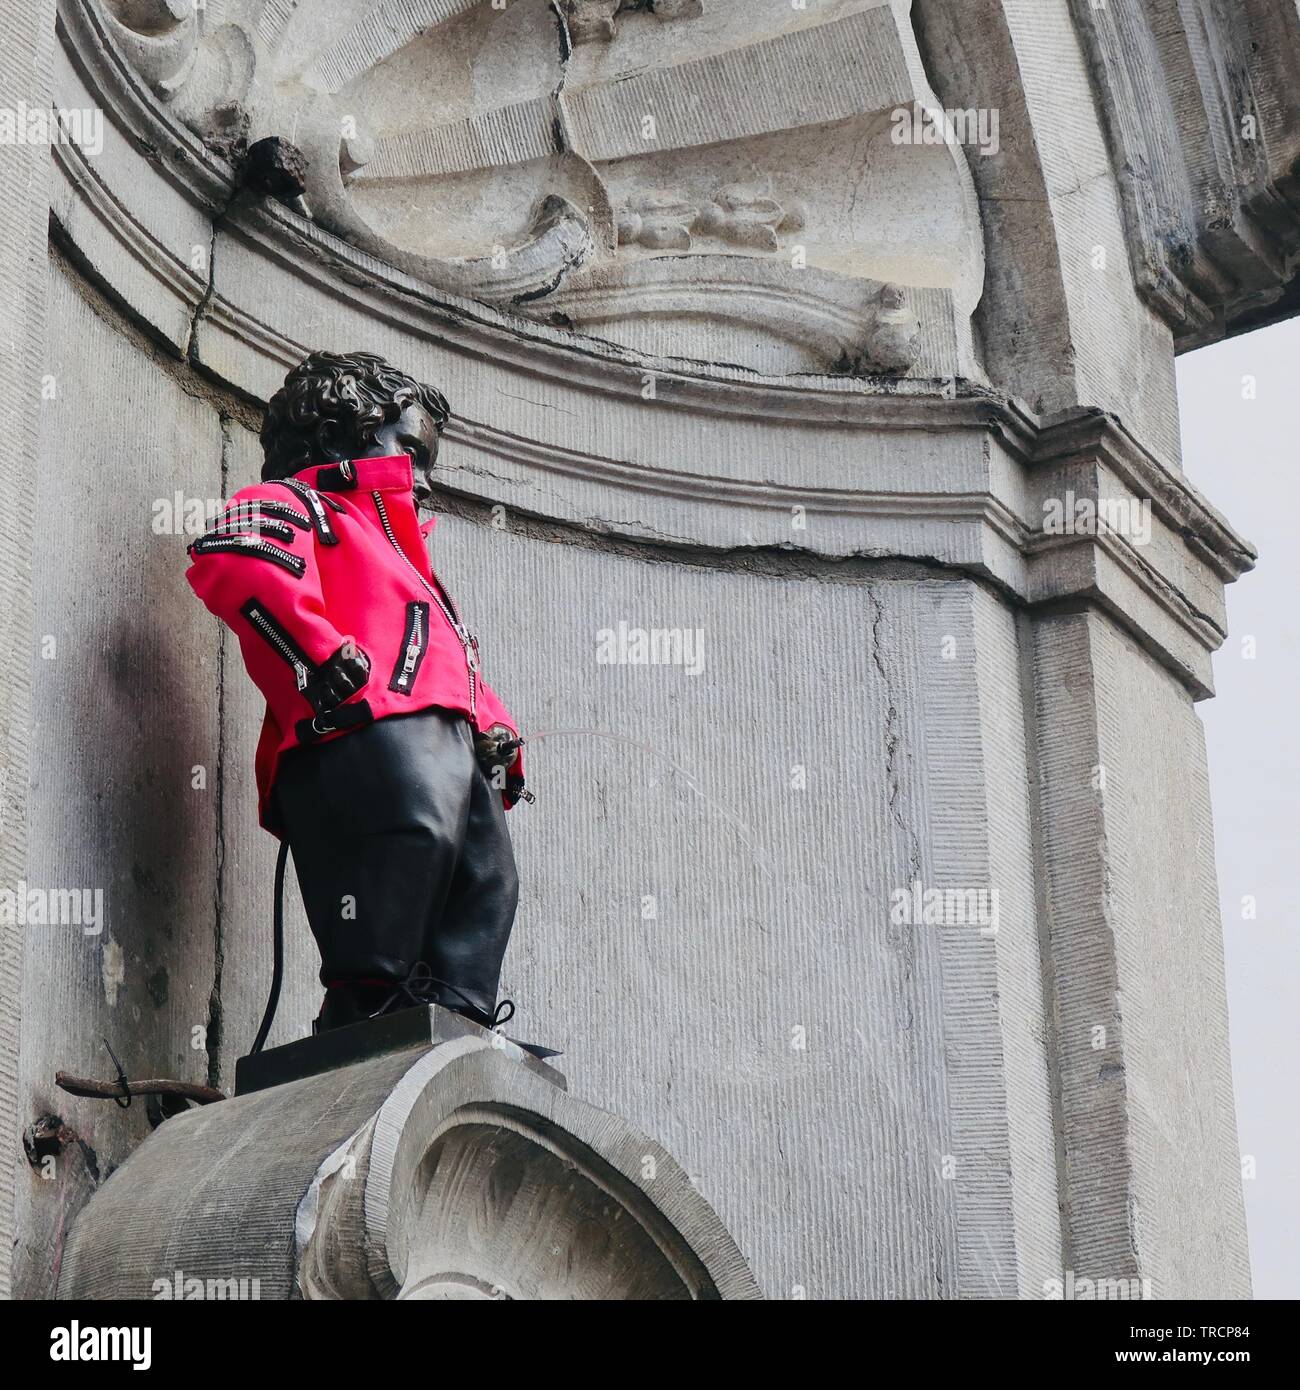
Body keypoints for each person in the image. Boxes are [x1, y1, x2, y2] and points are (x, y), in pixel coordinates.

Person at [186, 350, 536, 1045]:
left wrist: (496, 729)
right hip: (362, 728)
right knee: (406, 843)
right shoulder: (302, 507)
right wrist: (313, 652)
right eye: (411, 453)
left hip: (452, 742)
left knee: (489, 879)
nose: (425, 484)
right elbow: (237, 558)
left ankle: (457, 1022)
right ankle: (366, 1012)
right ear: (339, 433)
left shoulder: (413, 563)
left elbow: (458, 661)